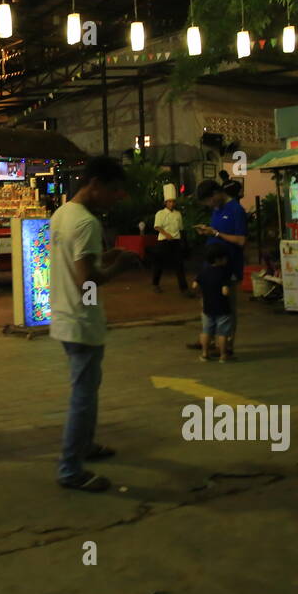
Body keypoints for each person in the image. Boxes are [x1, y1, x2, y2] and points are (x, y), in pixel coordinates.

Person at [49, 156, 140, 493]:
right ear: (95, 184)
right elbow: (86, 281)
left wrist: (107, 258)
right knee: (83, 398)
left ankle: (84, 447)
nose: (118, 198)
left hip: (64, 314)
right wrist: (122, 267)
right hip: (80, 320)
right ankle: (70, 469)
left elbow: (79, 265)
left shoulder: (62, 214)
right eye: (114, 191)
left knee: (85, 390)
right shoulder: (87, 223)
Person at [192, 179, 248, 357]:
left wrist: (216, 233)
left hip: (227, 266)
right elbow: (217, 232)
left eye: (209, 200)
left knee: (226, 306)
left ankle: (226, 344)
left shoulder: (236, 210)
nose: (210, 205)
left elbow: (240, 240)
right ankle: (209, 337)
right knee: (208, 303)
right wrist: (207, 231)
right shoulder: (217, 210)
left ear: (216, 193)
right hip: (210, 266)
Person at [193, 247, 234, 362]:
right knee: (222, 333)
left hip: (207, 307)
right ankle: (223, 355)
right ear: (218, 260)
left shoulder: (204, 272)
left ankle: (205, 354)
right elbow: (225, 291)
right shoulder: (224, 272)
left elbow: (195, 285)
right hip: (222, 307)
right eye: (224, 258)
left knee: (206, 331)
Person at [151, 197, 190, 295]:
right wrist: (166, 234)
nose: (172, 203)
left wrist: (182, 241)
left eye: (173, 202)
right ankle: (155, 284)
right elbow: (157, 226)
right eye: (169, 202)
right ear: (165, 203)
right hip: (163, 241)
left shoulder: (178, 214)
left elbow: (181, 228)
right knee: (159, 263)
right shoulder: (160, 213)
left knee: (179, 264)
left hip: (176, 241)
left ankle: (184, 288)